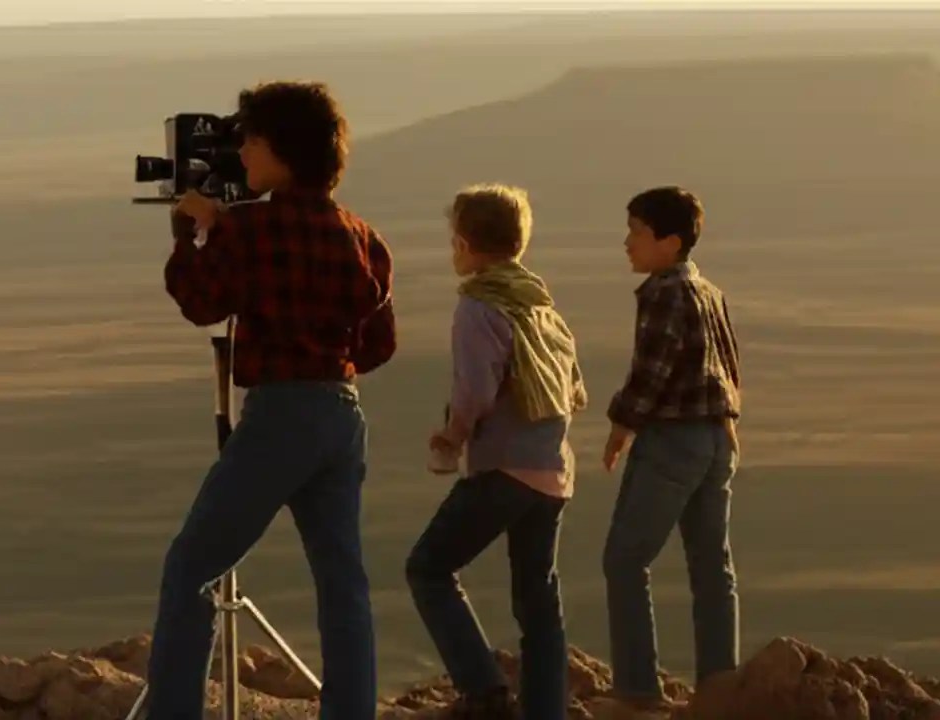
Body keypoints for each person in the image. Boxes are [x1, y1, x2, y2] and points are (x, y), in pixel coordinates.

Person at [145, 80, 396, 720]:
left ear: (281, 151)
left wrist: (188, 234)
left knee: (191, 568)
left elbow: (201, 303)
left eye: (251, 141)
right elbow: (378, 344)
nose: (243, 154)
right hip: (342, 413)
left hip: (280, 416)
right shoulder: (362, 234)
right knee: (343, 583)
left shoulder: (251, 229)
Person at [405, 184, 586, 720]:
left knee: (429, 568)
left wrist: (451, 439)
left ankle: (483, 693)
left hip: (504, 467)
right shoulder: (541, 303)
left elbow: (475, 392)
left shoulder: (480, 307)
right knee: (538, 601)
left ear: (463, 244)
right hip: (553, 471)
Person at [600, 186, 742, 718]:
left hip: (673, 440)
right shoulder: (708, 290)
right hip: (715, 439)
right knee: (711, 566)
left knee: (624, 559)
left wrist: (621, 426)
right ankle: (719, 686)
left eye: (637, 231)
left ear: (670, 241)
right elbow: (730, 364)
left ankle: (637, 690)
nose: (627, 242)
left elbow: (651, 373)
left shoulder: (663, 294)